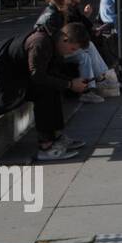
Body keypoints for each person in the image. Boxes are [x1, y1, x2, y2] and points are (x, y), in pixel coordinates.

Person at [25, 22, 92, 161]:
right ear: (65, 39)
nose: (71, 52)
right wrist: (69, 84)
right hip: (3, 83)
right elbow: (37, 75)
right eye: (72, 48)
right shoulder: (41, 42)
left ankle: (55, 137)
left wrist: (72, 82)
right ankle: (46, 146)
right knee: (45, 90)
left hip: (20, 78)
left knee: (54, 86)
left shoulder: (53, 43)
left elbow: (52, 73)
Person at [62, 0, 120, 98]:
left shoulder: (74, 10)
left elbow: (85, 25)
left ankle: (100, 81)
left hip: (73, 44)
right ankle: (98, 83)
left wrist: (86, 15)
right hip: (66, 48)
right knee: (87, 52)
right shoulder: (66, 12)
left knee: (90, 47)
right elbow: (75, 30)